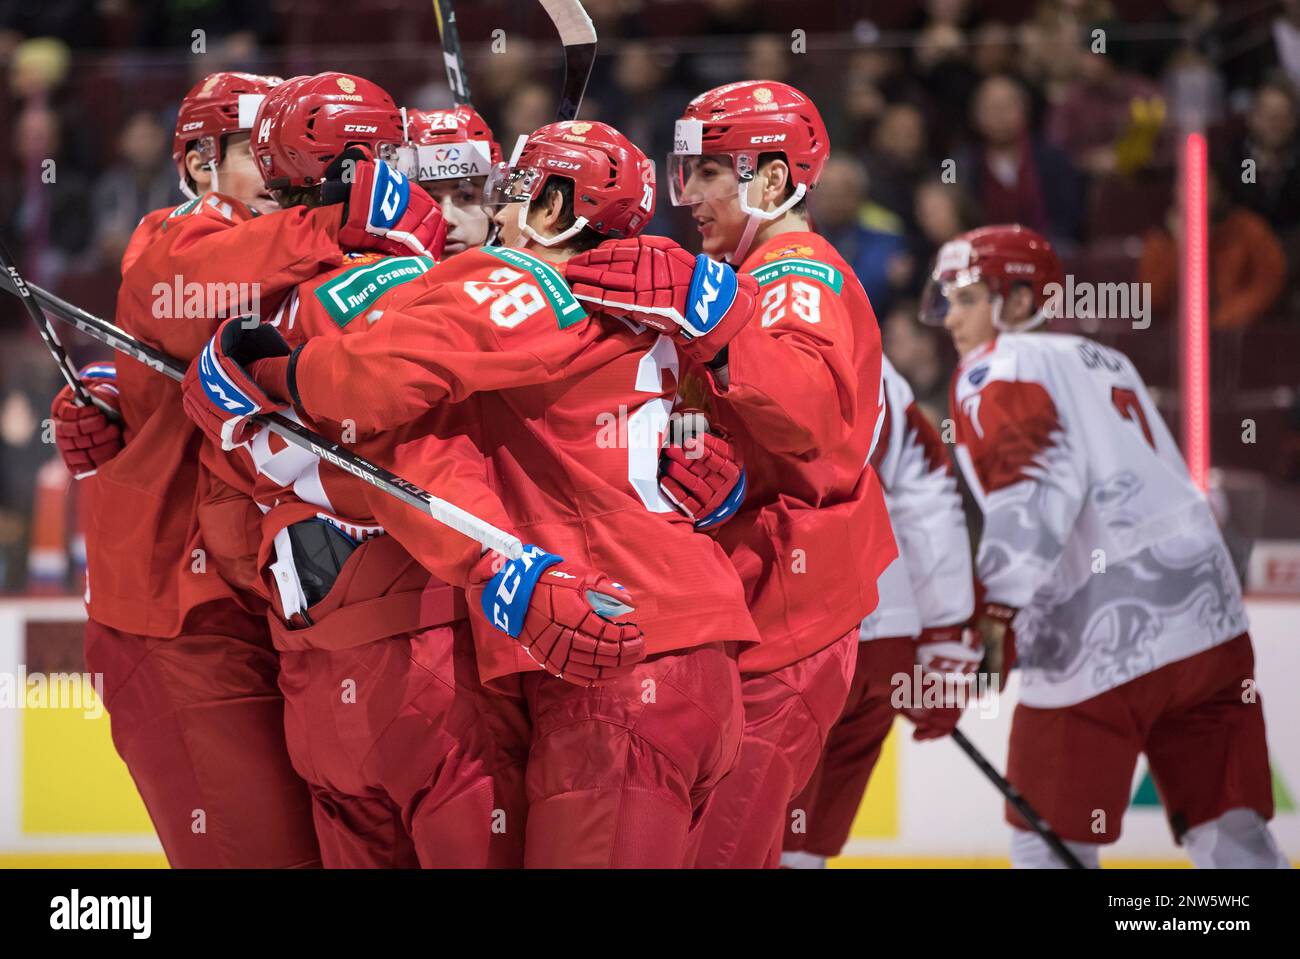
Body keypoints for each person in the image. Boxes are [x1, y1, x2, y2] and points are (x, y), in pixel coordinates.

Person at [183, 117, 763, 869]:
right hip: (694, 649)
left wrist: (261, 378)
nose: (490, 212)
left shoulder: (521, 278)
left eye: (510, 191)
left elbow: (370, 384)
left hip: (611, 657)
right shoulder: (645, 296)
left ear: (556, 208)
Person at [567, 79, 896, 868]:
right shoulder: (744, 279)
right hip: (751, 607)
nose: (691, 197)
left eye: (711, 172)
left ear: (774, 181)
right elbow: (732, 432)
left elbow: (807, 411)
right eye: (688, 173)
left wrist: (713, 316)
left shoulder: (795, 275)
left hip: (791, 620)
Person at [930, 223, 1287, 869]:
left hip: (1098, 636)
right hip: (1208, 624)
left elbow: (1035, 490)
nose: (951, 318)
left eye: (967, 298)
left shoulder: (996, 364)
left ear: (1017, 301)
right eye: (947, 300)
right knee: (1229, 830)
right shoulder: (1107, 359)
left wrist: (995, 609)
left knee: (1047, 840)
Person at [782, 357, 977, 868]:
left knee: (759, 835)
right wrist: (945, 634)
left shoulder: (723, 326)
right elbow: (929, 495)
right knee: (804, 844)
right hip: (886, 637)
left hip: (791, 637)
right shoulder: (878, 362)